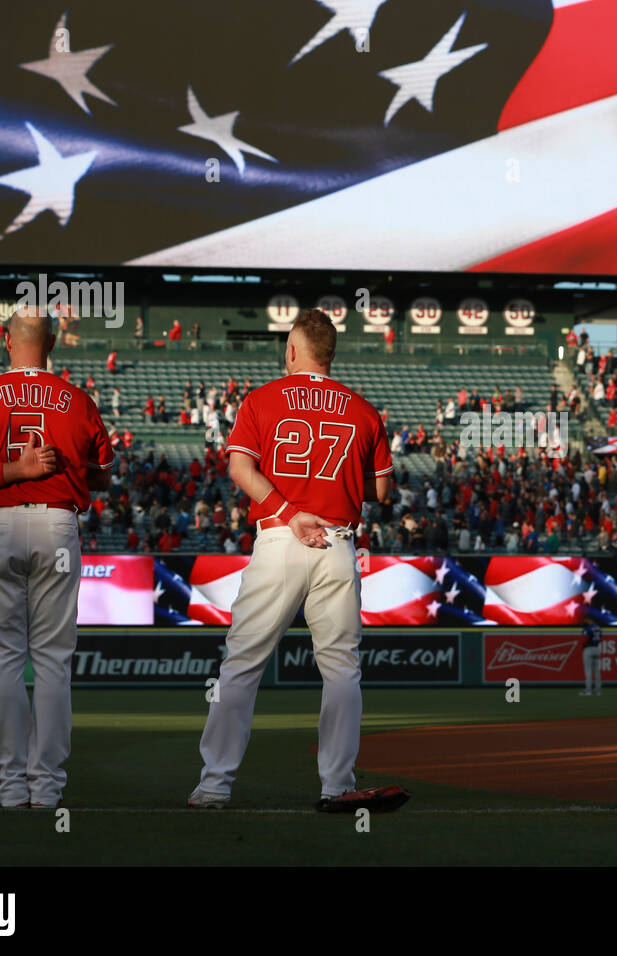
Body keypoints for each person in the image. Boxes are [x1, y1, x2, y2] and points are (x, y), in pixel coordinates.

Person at [189, 308, 405, 813]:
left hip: (281, 537)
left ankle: (215, 785)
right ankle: (336, 784)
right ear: (331, 353)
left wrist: (289, 510)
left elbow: (240, 467)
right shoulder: (364, 411)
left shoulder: (263, 399)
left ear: (292, 350)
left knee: (241, 665)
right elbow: (381, 489)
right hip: (338, 543)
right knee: (342, 670)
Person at [0, 308, 114, 809]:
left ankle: (12, 787)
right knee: (53, 662)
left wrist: (12, 468)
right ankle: (48, 785)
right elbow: (101, 475)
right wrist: (49, 467)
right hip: (57, 525)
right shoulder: (78, 400)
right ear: (51, 343)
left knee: (5, 662)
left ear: (4, 340)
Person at [579, 618, 603, 696]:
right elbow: (600, 638)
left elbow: (585, 639)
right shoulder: (598, 628)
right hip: (597, 648)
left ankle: (588, 690)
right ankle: (598, 691)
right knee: (597, 671)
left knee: (588, 671)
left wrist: (583, 646)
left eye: (587, 619)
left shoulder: (588, 628)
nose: (585, 621)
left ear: (590, 620)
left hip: (588, 648)